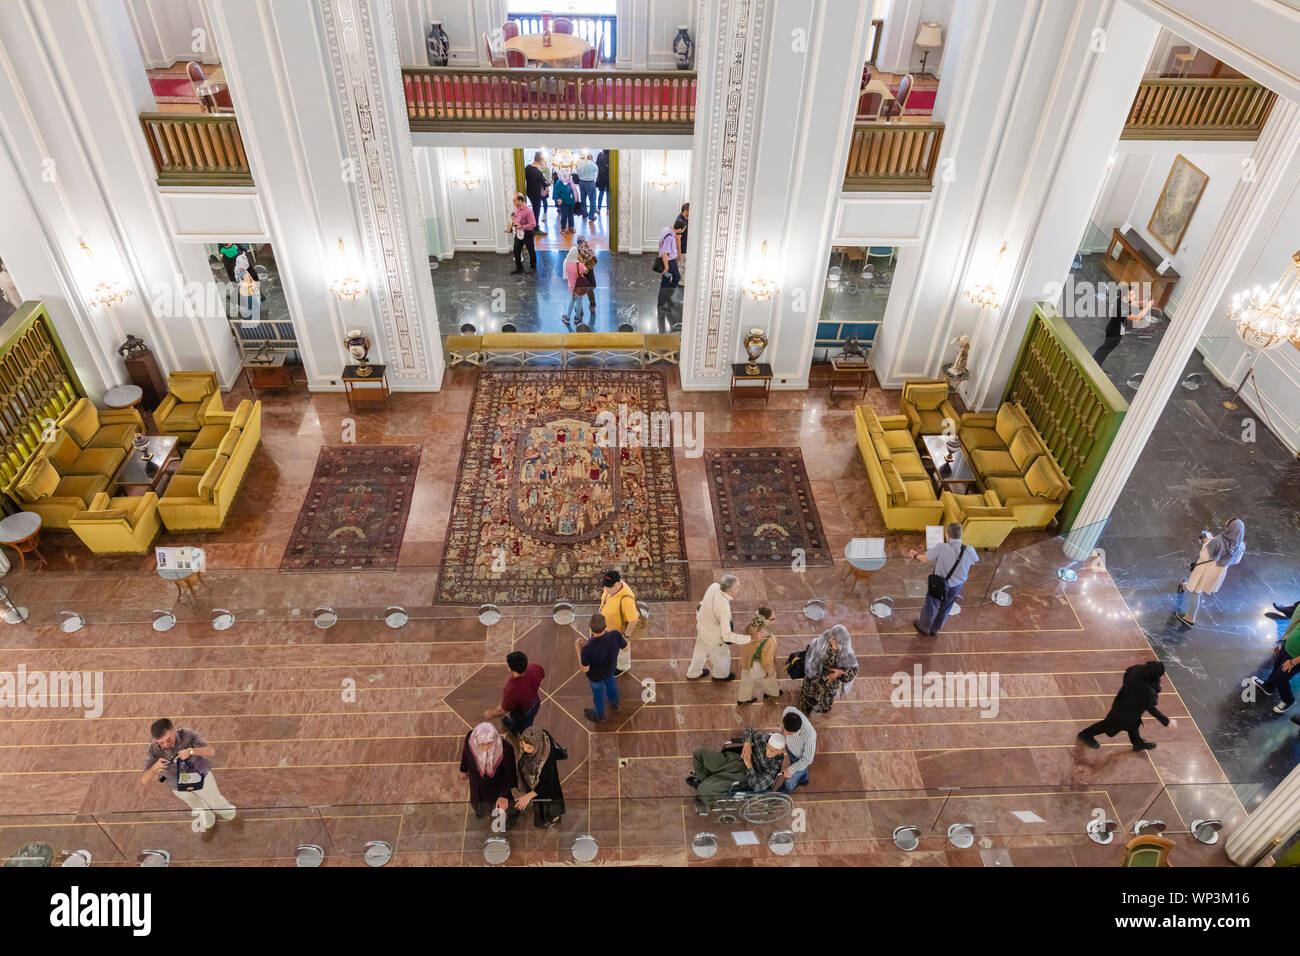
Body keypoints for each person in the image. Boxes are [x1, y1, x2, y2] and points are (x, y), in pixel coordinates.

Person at [139, 719, 239, 839]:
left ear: (174, 731)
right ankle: (209, 823)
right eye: (161, 743)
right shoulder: (153, 749)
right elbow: (144, 780)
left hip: (201, 776)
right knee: (197, 806)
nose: (165, 745)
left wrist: (191, 751)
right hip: (177, 785)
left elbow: (211, 751)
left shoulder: (188, 735)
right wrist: (155, 767)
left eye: (169, 740)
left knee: (216, 802)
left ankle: (231, 816)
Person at [1077, 661, 1172, 751]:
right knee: (1108, 725)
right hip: (1125, 710)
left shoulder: (1138, 669)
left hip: (1123, 701)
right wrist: (1166, 722)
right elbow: (1151, 708)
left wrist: (1127, 689)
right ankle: (1085, 734)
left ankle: (1137, 743)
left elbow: (1128, 672)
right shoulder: (1147, 691)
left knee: (1133, 723)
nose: (1162, 677)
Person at [908, 522, 979, 637]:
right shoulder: (970, 550)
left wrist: (915, 555)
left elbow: (925, 559)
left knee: (931, 605)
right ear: (960, 535)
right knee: (946, 607)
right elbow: (974, 561)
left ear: (947, 535)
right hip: (957, 586)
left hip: (939, 583)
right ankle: (936, 629)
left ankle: (925, 627)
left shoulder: (942, 547)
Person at [1176, 518, 1246, 627]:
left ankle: (1190, 617)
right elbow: (1236, 561)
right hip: (1218, 573)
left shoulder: (1217, 541)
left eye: (1227, 526)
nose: (1226, 528)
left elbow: (1204, 556)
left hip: (1205, 570)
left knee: (1196, 590)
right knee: (1197, 586)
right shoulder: (1240, 546)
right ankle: (1185, 586)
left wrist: (1206, 543)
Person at [686, 728, 785, 804]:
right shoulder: (765, 739)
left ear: (780, 751)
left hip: (746, 775)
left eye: (772, 750)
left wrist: (749, 766)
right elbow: (749, 730)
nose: (767, 751)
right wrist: (747, 744)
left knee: (704, 789)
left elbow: (758, 787)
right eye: (768, 747)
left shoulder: (775, 766)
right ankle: (703, 779)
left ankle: (705, 789)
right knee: (699, 754)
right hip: (736, 759)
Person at [687, 574, 749, 680]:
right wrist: (749, 639)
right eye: (737, 587)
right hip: (714, 636)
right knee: (722, 655)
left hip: (702, 627)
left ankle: (693, 673)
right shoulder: (724, 607)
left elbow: (702, 603)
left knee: (700, 651)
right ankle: (720, 675)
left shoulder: (714, 586)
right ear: (729, 591)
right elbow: (727, 635)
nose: (740, 588)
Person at [1247, 605, 1300, 714]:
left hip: (1295, 658)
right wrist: (1286, 639)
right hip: (1288, 647)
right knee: (1276, 667)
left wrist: (1292, 662)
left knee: (1282, 678)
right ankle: (1269, 686)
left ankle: (1288, 700)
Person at [576, 613, 627, 723]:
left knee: (598, 696)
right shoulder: (615, 635)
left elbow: (585, 669)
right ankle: (615, 705)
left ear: (591, 628)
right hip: (610, 671)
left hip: (596, 677)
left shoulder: (587, 648)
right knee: (611, 686)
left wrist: (578, 649)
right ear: (605, 626)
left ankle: (600, 716)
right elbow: (626, 648)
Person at [460, 721, 517, 821]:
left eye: (489, 743)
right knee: (477, 802)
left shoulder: (506, 749)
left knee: (496, 806)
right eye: (482, 744)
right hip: (476, 783)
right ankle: (480, 811)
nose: (486, 748)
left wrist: (503, 794)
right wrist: (463, 769)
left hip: (495, 785)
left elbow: (510, 773)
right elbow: (465, 753)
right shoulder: (470, 738)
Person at [797, 625, 858, 716]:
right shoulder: (821, 642)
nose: (830, 640)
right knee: (810, 696)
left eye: (834, 640)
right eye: (831, 637)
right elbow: (811, 656)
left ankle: (821, 708)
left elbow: (853, 670)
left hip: (829, 684)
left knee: (824, 700)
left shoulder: (846, 653)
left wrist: (839, 672)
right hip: (815, 680)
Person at [514, 726, 565, 829]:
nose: (525, 750)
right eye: (523, 746)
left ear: (537, 746)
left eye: (529, 748)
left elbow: (547, 784)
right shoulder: (541, 736)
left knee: (547, 808)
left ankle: (554, 818)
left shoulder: (547, 762)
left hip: (546, 789)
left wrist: (528, 796)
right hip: (534, 781)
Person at [483, 651, 545, 735]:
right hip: (536, 703)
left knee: (522, 727)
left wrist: (491, 714)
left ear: (511, 669)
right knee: (529, 721)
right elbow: (542, 675)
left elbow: (503, 709)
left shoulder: (512, 689)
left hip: (522, 714)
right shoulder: (534, 668)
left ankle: (519, 732)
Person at [1092, 284, 1153, 368]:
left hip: (1114, 328)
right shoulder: (1121, 307)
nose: (1134, 296)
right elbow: (1137, 318)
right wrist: (1147, 307)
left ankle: (1097, 363)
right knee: (1106, 348)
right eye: (1132, 295)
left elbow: (1135, 304)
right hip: (1115, 332)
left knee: (1106, 348)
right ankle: (1095, 363)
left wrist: (1145, 302)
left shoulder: (1122, 300)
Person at [598, 569, 637, 676]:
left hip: (618, 631)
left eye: (609, 587)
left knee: (622, 650)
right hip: (607, 626)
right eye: (605, 586)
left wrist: (626, 636)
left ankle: (623, 667)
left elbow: (634, 620)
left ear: (618, 584)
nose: (606, 589)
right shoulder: (612, 587)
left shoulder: (626, 599)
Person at [737, 607, 780, 704]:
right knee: (769, 680)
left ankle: (743, 699)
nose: (775, 620)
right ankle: (772, 693)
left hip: (747, 661)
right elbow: (767, 660)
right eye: (772, 619)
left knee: (746, 681)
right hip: (760, 665)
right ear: (765, 621)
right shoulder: (768, 639)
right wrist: (769, 670)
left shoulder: (748, 627)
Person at [778, 707, 816, 792]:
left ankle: (780, 796)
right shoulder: (788, 711)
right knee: (797, 767)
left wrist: (790, 770)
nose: (783, 731)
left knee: (789, 781)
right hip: (791, 749)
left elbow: (807, 759)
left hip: (800, 758)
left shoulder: (810, 736)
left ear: (795, 732)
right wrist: (779, 733)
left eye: (786, 732)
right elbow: (783, 727)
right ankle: (804, 780)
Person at [656, 218, 684, 309]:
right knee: (666, 281)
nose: (683, 231)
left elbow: (660, 243)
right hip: (669, 263)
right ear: (680, 229)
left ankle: (666, 297)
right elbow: (665, 253)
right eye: (683, 229)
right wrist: (666, 267)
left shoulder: (666, 229)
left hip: (672, 262)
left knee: (675, 277)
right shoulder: (670, 238)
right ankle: (662, 302)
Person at [507, 193, 537, 273]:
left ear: (520, 201)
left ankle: (533, 267)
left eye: (515, 200)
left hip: (528, 233)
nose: (513, 201)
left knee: (531, 250)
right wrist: (514, 222)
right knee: (516, 250)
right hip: (518, 233)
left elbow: (533, 224)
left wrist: (522, 226)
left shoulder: (528, 211)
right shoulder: (516, 207)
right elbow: (516, 216)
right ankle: (519, 268)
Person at [524, 152, 550, 237]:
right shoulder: (538, 172)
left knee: (534, 210)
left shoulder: (527, 168)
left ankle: (534, 227)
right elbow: (544, 182)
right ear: (541, 160)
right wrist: (546, 187)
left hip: (529, 193)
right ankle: (535, 229)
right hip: (536, 194)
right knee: (536, 211)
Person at [563, 243, 588, 324]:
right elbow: (586, 270)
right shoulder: (579, 264)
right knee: (579, 301)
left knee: (572, 301)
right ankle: (577, 317)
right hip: (580, 286)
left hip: (572, 286)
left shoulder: (567, 263)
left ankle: (567, 317)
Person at [576, 237, 599, 318]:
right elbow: (595, 260)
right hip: (588, 276)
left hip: (582, 275)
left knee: (580, 293)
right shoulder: (589, 250)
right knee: (589, 291)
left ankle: (580, 309)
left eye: (580, 242)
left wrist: (584, 267)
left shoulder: (578, 251)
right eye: (579, 242)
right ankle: (592, 306)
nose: (579, 244)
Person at [576, 151, 599, 220]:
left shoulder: (579, 163)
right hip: (590, 183)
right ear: (590, 158)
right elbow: (596, 169)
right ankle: (591, 216)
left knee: (583, 199)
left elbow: (576, 172)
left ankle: (584, 214)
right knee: (592, 199)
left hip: (581, 183)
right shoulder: (591, 163)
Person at [676, 202, 689, 283]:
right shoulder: (680, 221)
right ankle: (681, 282)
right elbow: (677, 238)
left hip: (685, 247)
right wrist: (679, 252)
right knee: (681, 266)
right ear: (685, 210)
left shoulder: (685, 219)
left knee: (683, 266)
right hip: (682, 248)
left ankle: (682, 281)